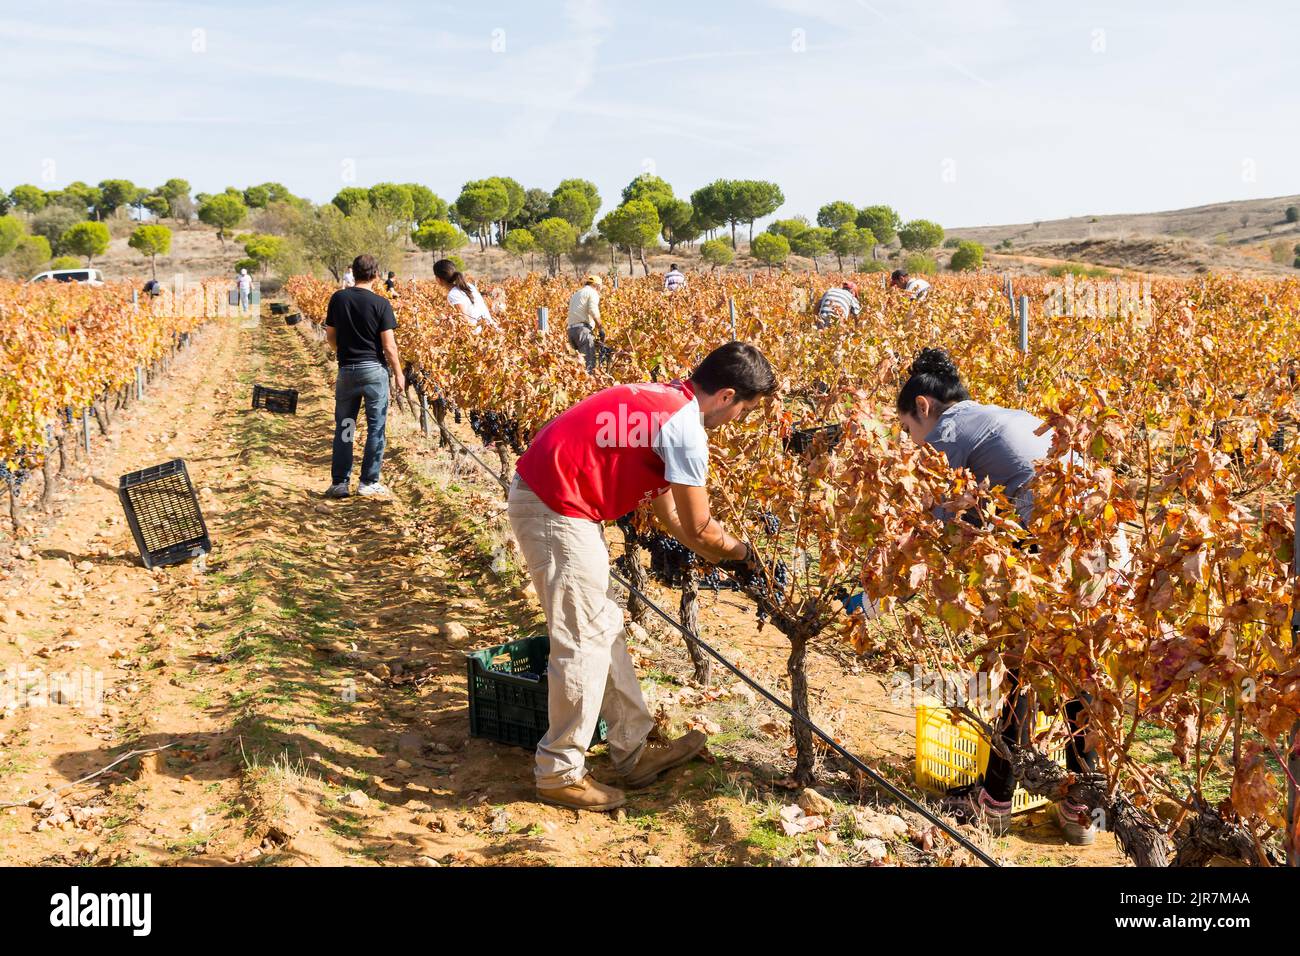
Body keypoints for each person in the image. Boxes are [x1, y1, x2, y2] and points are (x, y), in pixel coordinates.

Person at [508, 342, 778, 812]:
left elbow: (673, 517)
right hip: (555, 507)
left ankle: (632, 752)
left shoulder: (666, 400)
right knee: (582, 638)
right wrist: (751, 561)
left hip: (562, 504)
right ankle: (558, 772)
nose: (738, 421)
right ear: (726, 395)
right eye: (744, 410)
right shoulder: (686, 427)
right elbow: (699, 528)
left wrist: (729, 555)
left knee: (604, 626)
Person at [896, 347, 1099, 845]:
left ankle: (995, 800)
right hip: (1092, 531)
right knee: (1076, 663)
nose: (909, 441)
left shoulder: (944, 433)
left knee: (1020, 663)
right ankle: (1082, 807)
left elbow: (936, 524)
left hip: (1042, 536)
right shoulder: (995, 414)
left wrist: (896, 578)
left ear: (923, 407)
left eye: (906, 430)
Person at [323, 254, 405, 499]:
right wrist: (399, 373)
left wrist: (343, 354)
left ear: (354, 273)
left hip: (347, 372)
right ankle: (368, 482)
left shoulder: (338, 298)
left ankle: (340, 483)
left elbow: (330, 336)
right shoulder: (381, 304)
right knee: (375, 427)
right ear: (376, 275)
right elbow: (389, 347)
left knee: (346, 426)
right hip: (373, 373)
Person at [432, 259, 492, 328]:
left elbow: (464, 320)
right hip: (489, 328)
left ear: (438, 279)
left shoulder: (453, 295)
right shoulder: (469, 286)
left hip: (478, 334)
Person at [566, 274, 606, 372]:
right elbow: (593, 310)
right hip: (582, 331)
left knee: (576, 364)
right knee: (588, 364)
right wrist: (601, 328)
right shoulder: (592, 293)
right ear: (596, 286)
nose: (599, 291)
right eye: (600, 288)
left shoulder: (577, 293)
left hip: (571, 331)